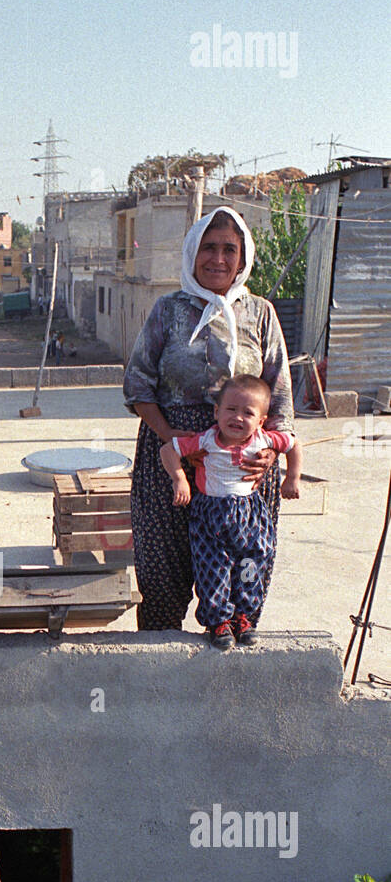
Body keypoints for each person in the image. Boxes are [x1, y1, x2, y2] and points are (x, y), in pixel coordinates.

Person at [122, 206, 295, 631]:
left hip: (244, 471)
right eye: (208, 248)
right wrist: (174, 441)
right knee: (164, 574)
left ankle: (225, 677)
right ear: (191, 253)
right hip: (171, 461)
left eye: (229, 250)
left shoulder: (261, 313)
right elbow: (137, 386)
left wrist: (271, 457)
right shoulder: (168, 310)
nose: (218, 259)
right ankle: (162, 679)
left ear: (243, 258)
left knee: (240, 572)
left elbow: (281, 395)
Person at [159, 374, 302, 647]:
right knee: (213, 568)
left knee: (252, 563)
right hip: (209, 516)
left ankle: (243, 617)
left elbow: (294, 444)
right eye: (231, 409)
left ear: (261, 421)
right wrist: (180, 479)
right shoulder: (207, 440)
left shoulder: (264, 439)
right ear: (216, 411)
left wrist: (292, 477)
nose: (238, 418)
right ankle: (219, 621)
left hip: (250, 515)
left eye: (248, 413)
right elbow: (169, 450)